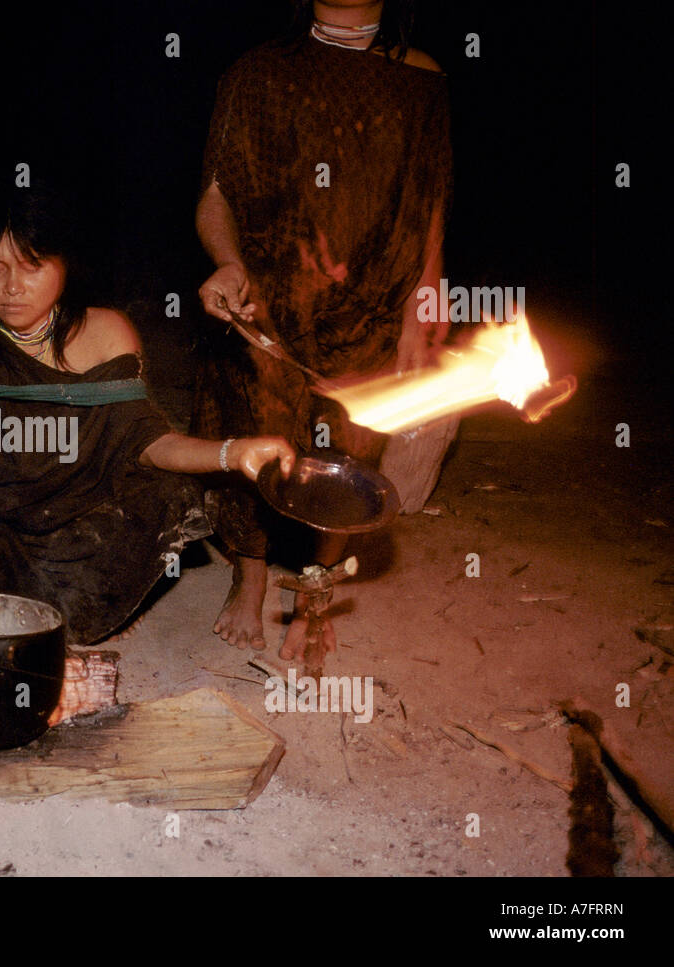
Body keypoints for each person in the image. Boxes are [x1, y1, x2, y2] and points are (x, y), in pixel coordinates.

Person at [0, 186, 295, 646]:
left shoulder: (108, 333)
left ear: (65, 266)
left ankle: (95, 604)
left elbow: (149, 443)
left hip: (85, 521)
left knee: (173, 490)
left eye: (32, 267)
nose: (11, 287)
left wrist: (234, 452)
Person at [193, 0, 452, 658]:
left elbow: (428, 204)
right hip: (266, 299)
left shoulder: (421, 80)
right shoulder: (256, 74)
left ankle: (314, 594)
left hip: (371, 296)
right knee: (255, 430)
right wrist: (228, 264)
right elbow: (217, 192)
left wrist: (426, 294)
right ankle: (248, 580)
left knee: (348, 452)